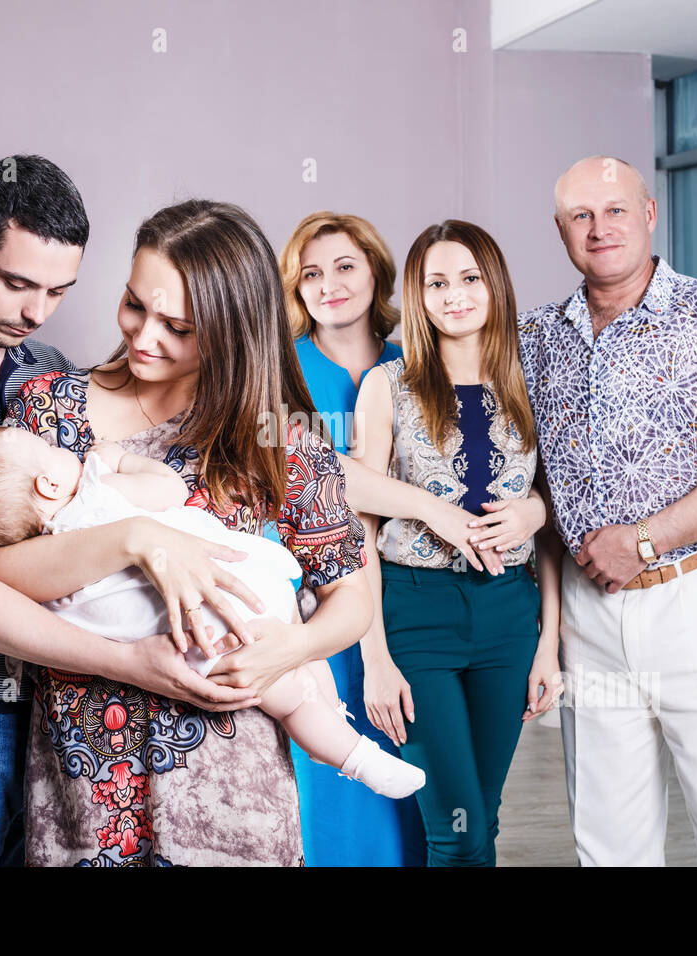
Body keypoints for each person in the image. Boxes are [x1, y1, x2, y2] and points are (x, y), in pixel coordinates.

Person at [0, 156, 264, 867]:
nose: (35, 310)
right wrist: (131, 661)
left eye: (59, 290)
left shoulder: (45, 370)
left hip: (43, 721)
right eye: (18, 283)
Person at [0, 198, 373, 866]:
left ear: (231, 330)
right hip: (84, 783)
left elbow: (352, 599)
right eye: (135, 304)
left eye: (177, 326)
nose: (143, 336)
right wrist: (135, 540)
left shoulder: (278, 439)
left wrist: (287, 651)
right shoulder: (48, 413)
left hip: (233, 796)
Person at [519, 154, 697, 866]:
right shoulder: (536, 340)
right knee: (608, 845)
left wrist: (643, 541)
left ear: (649, 214)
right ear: (560, 232)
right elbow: (534, 484)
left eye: (615, 209)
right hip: (590, 617)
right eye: (580, 215)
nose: (599, 227)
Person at [0, 424, 424, 799]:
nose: (62, 448)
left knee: (294, 688)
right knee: (299, 685)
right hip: (231, 617)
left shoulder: (52, 564)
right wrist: (120, 461)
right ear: (48, 484)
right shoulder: (96, 491)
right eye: (49, 450)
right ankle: (353, 752)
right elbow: (169, 490)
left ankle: (347, 747)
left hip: (200, 646)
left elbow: (350, 597)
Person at [352, 219, 563, 867]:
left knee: (484, 817)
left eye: (469, 278)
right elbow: (356, 507)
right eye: (435, 283)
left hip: (509, 615)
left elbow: (560, 519)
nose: (454, 296)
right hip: (418, 615)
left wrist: (549, 644)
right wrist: (375, 657)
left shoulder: (535, 383)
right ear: (416, 295)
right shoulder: (387, 386)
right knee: (456, 832)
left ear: (494, 285)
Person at [277, 210, 426, 866]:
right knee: (330, 788)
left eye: (345, 266)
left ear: (376, 274)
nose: (329, 284)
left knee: (417, 792)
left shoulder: (418, 367)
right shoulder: (280, 371)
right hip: (316, 608)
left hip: (417, 605)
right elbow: (325, 486)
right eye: (312, 273)